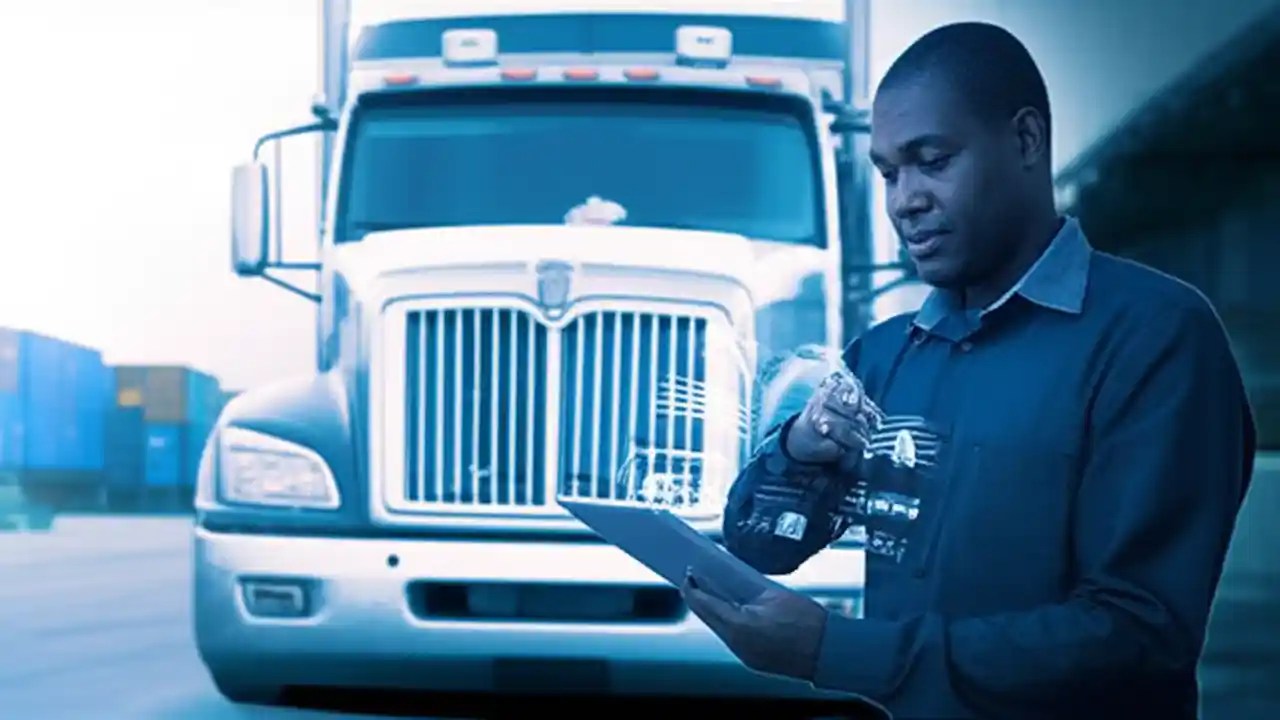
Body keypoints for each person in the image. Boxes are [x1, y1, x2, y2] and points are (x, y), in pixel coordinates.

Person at [681, 20, 1257, 720]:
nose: (904, 199)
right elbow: (762, 547)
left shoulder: (1156, 337)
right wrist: (798, 449)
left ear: (1025, 141)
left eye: (932, 160)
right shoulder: (886, 356)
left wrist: (838, 650)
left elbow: (1139, 631)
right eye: (890, 172)